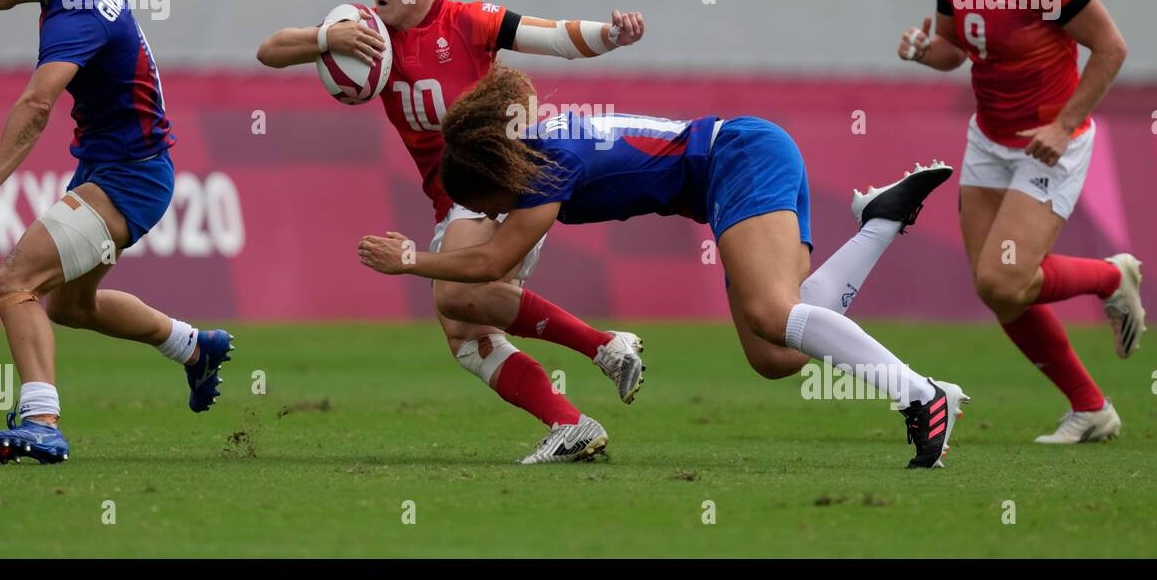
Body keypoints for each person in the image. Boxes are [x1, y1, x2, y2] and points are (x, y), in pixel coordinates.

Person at [359, 64, 967, 468]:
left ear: (499, 182)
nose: (495, 214)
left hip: (739, 155)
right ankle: (883, 222)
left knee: (768, 312)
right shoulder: (533, 152)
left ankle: (920, 394)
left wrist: (411, 259)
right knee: (774, 355)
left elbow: (494, 259)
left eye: (488, 204)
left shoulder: (545, 169)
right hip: (730, 172)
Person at [257, 0, 647, 460]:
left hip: (494, 185)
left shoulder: (466, 22)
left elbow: (555, 37)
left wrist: (609, 34)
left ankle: (604, 348)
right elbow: (269, 51)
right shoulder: (369, 39)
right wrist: (325, 35)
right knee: (466, 335)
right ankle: (573, 421)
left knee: (458, 295)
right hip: (451, 199)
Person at [0, 0, 231, 465]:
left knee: (12, 283)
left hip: (128, 177)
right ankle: (193, 346)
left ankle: (42, 422)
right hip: (125, 168)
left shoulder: (71, 17)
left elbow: (35, 105)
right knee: (69, 307)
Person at [897, 0, 1144, 444]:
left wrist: (1062, 127)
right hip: (989, 137)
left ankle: (1111, 281)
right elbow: (955, 49)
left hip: (1047, 142)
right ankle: (1091, 408)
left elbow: (1111, 49)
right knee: (997, 290)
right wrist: (921, 51)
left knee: (1005, 280)